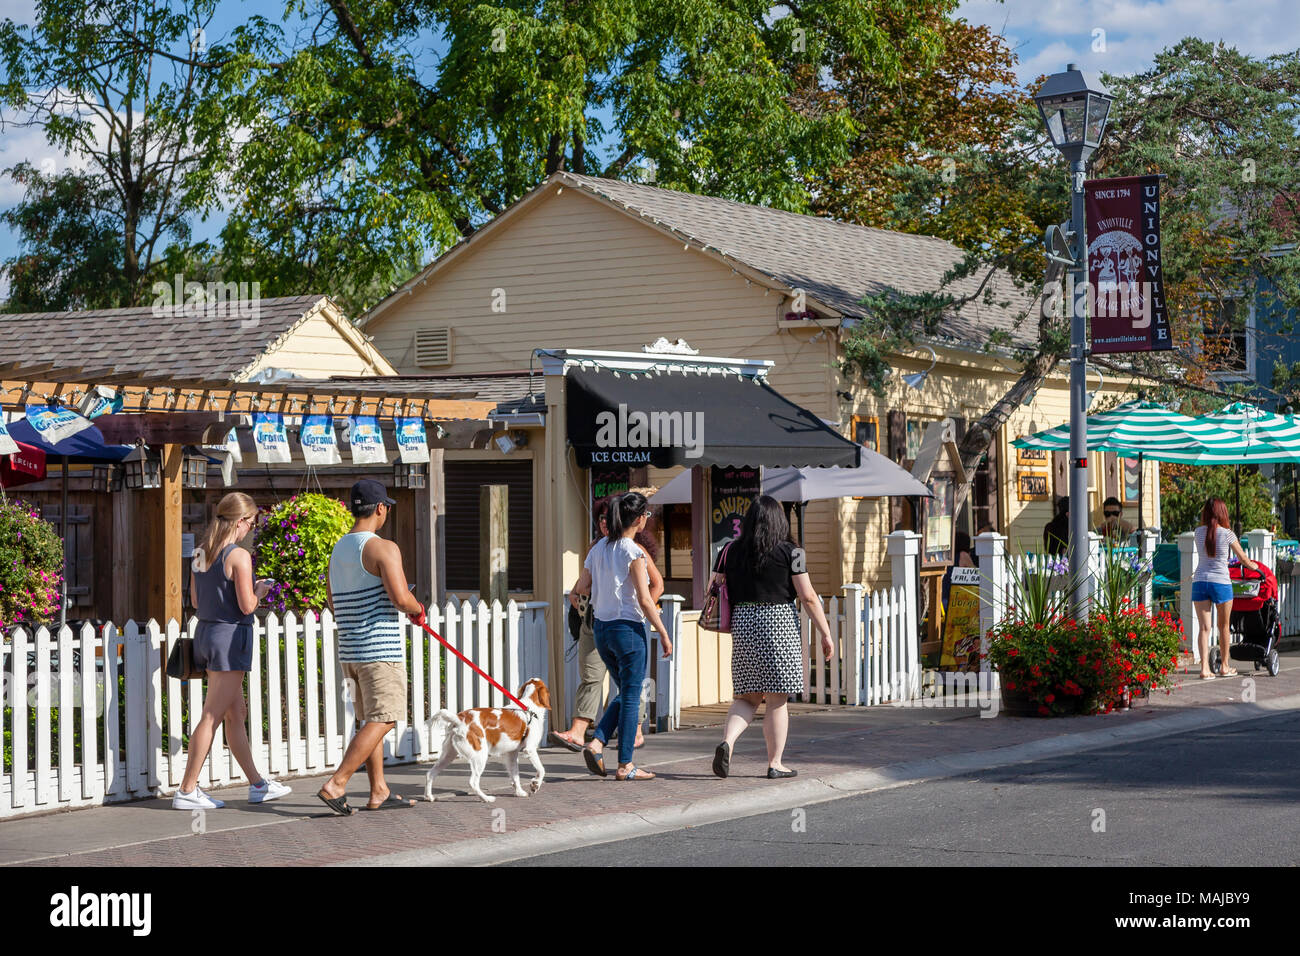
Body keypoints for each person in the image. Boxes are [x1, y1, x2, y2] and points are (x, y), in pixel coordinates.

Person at [173, 493, 291, 809]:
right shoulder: (238, 556)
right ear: (240, 521)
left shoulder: (200, 552)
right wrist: (260, 589)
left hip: (207, 634)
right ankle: (186, 790)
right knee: (212, 715)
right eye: (250, 523)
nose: (250, 529)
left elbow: (196, 602)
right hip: (230, 638)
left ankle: (257, 784)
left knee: (235, 713)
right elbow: (247, 605)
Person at [317, 479, 426, 814]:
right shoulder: (383, 547)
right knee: (386, 717)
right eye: (387, 508)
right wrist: (417, 609)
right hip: (379, 651)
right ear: (381, 508)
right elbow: (399, 597)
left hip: (349, 650)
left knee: (368, 719)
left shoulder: (338, 549)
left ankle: (379, 789)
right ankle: (336, 783)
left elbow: (332, 600)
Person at [709, 495, 833, 780]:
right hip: (778, 623)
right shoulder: (793, 552)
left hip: (743, 624)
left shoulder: (728, 551)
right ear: (780, 521)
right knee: (777, 699)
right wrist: (825, 633)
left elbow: (713, 588)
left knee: (748, 697)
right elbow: (808, 597)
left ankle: (727, 742)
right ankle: (775, 763)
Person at [570, 491, 673, 781]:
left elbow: (581, 587)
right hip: (628, 629)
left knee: (626, 690)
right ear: (640, 519)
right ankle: (626, 764)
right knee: (631, 695)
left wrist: (604, 581)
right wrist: (663, 632)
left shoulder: (599, 548)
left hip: (601, 629)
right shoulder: (633, 551)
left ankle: (597, 742)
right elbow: (644, 599)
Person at [552, 495, 662, 752]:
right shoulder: (597, 547)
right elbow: (581, 587)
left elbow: (656, 585)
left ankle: (633, 731)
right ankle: (579, 732)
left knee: (629, 681)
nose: (604, 522)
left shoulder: (635, 549)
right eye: (600, 517)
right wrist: (579, 600)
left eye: (607, 516)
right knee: (592, 676)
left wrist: (641, 608)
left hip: (625, 621)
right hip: (595, 620)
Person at [1192, 497, 1258, 680]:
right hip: (1221, 582)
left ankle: (1205, 669)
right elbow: (1243, 558)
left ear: (1205, 512)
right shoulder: (1228, 534)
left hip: (1200, 581)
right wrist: (1255, 567)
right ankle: (1225, 667)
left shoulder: (1198, 532)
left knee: (1204, 628)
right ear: (1223, 513)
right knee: (1223, 627)